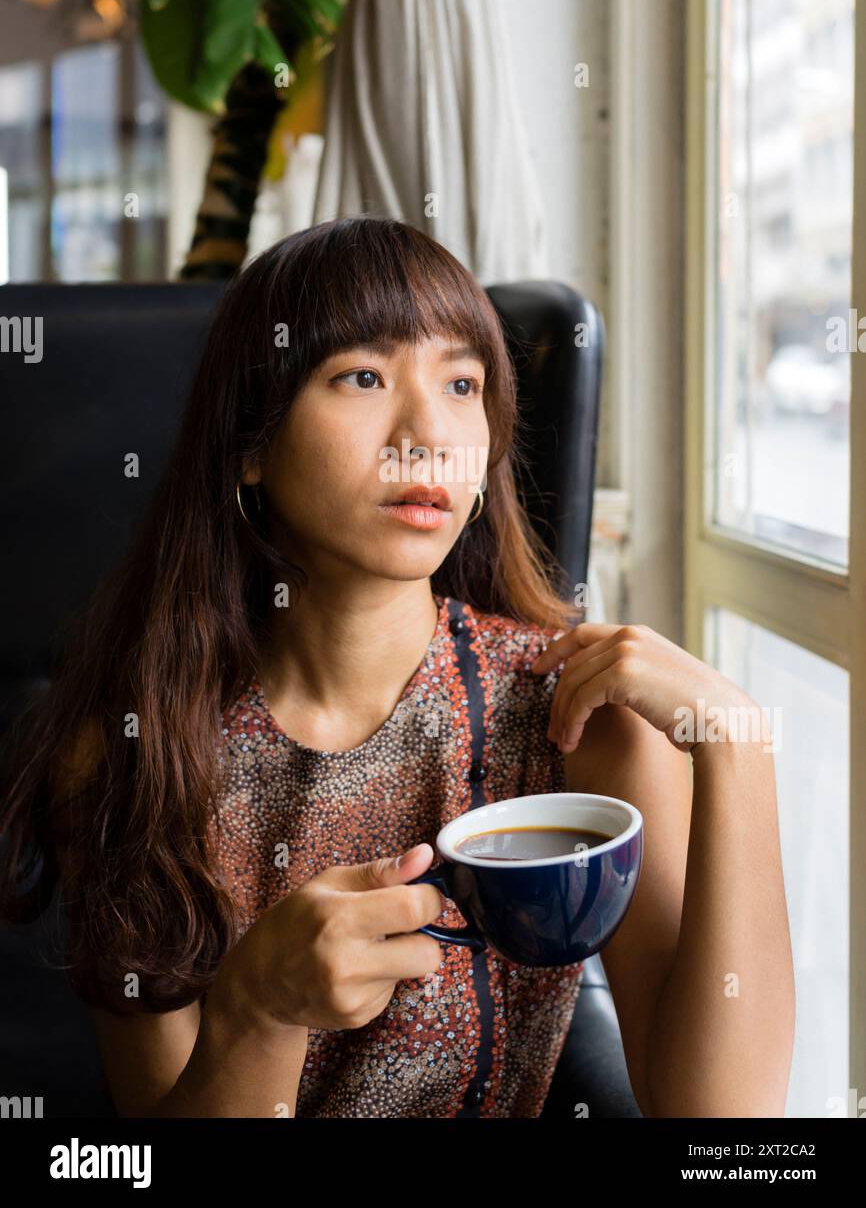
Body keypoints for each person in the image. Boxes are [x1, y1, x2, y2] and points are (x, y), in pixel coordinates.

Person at [0, 215, 794, 1118]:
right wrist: (260, 1013)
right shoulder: (135, 751)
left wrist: (740, 748)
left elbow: (728, 1132)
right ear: (250, 444)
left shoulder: (573, 715)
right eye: (364, 376)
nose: (427, 433)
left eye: (462, 382)